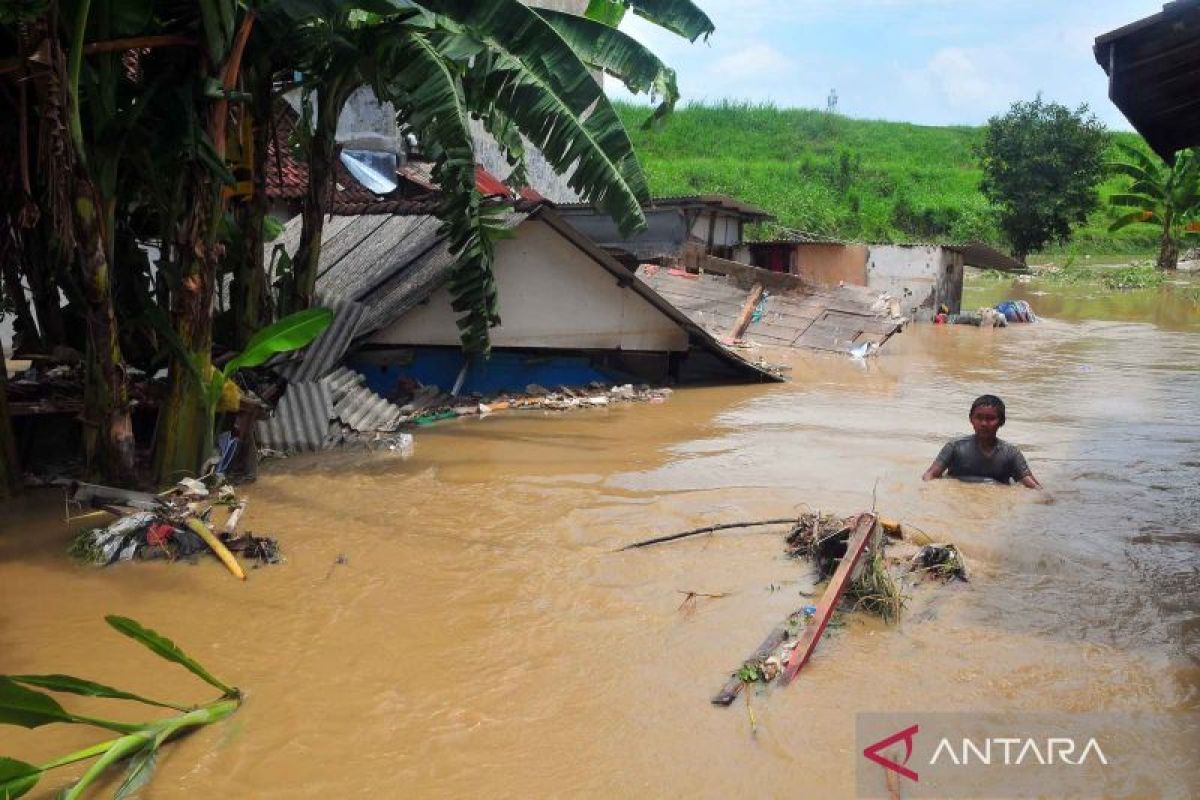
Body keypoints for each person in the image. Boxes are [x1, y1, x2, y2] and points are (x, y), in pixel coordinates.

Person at [922, 395, 1042, 489]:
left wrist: (1046, 499)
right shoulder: (955, 447)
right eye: (979, 418)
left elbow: (1033, 486)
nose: (984, 424)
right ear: (971, 419)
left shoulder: (1011, 453)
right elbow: (930, 475)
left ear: (1001, 422)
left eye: (990, 419)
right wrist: (926, 492)